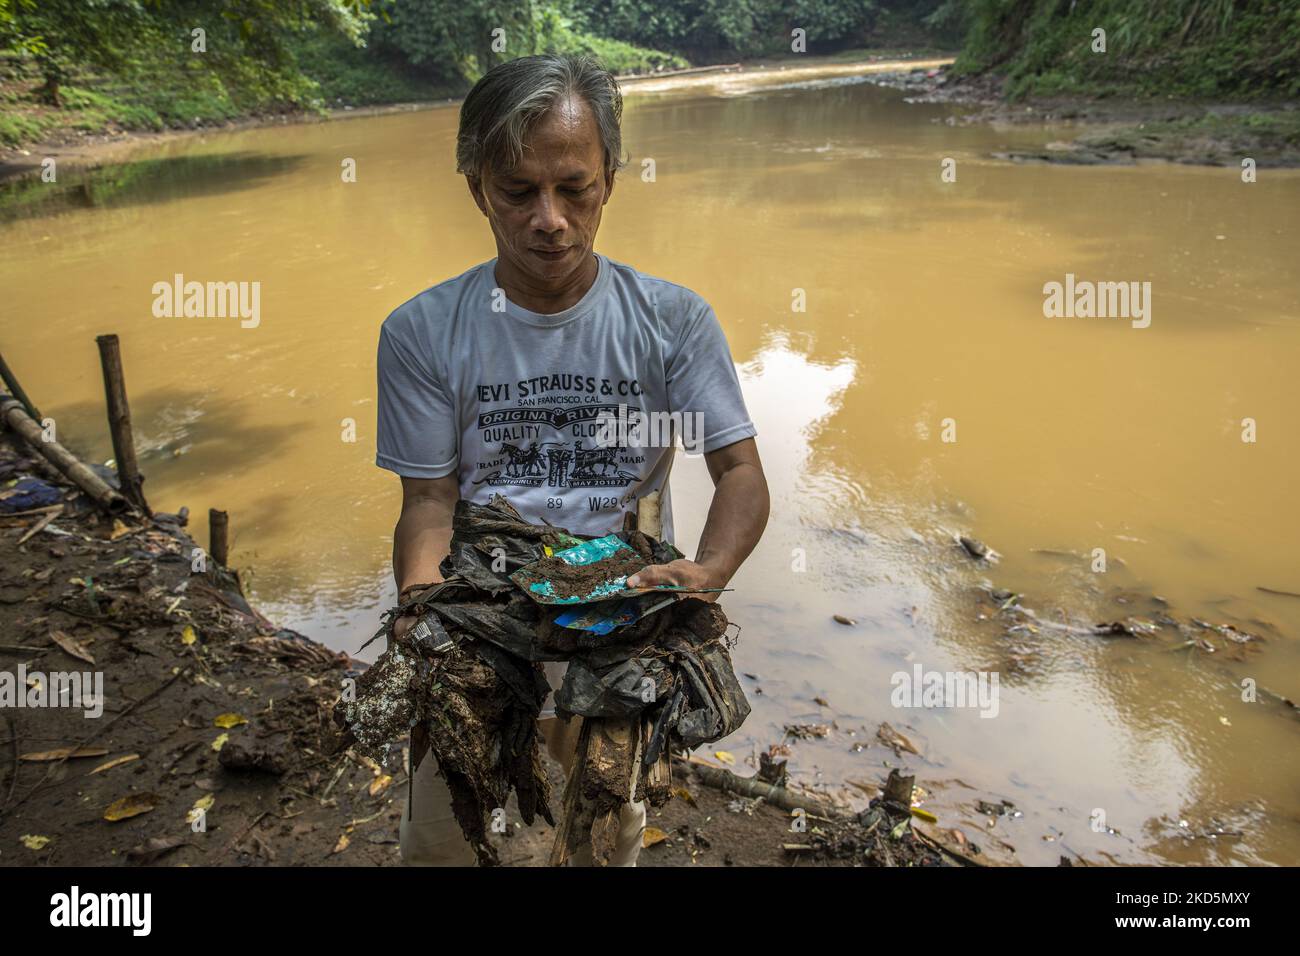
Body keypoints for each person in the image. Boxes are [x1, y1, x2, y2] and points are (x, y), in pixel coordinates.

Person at [375, 53, 769, 866]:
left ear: (610, 180)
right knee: (444, 837)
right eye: (518, 192)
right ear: (478, 188)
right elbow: (430, 502)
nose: (548, 219)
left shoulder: (672, 322)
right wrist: (421, 607)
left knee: (597, 840)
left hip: (621, 607)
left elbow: (737, 471)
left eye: (573, 188)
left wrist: (709, 573)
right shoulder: (420, 331)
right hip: (483, 601)